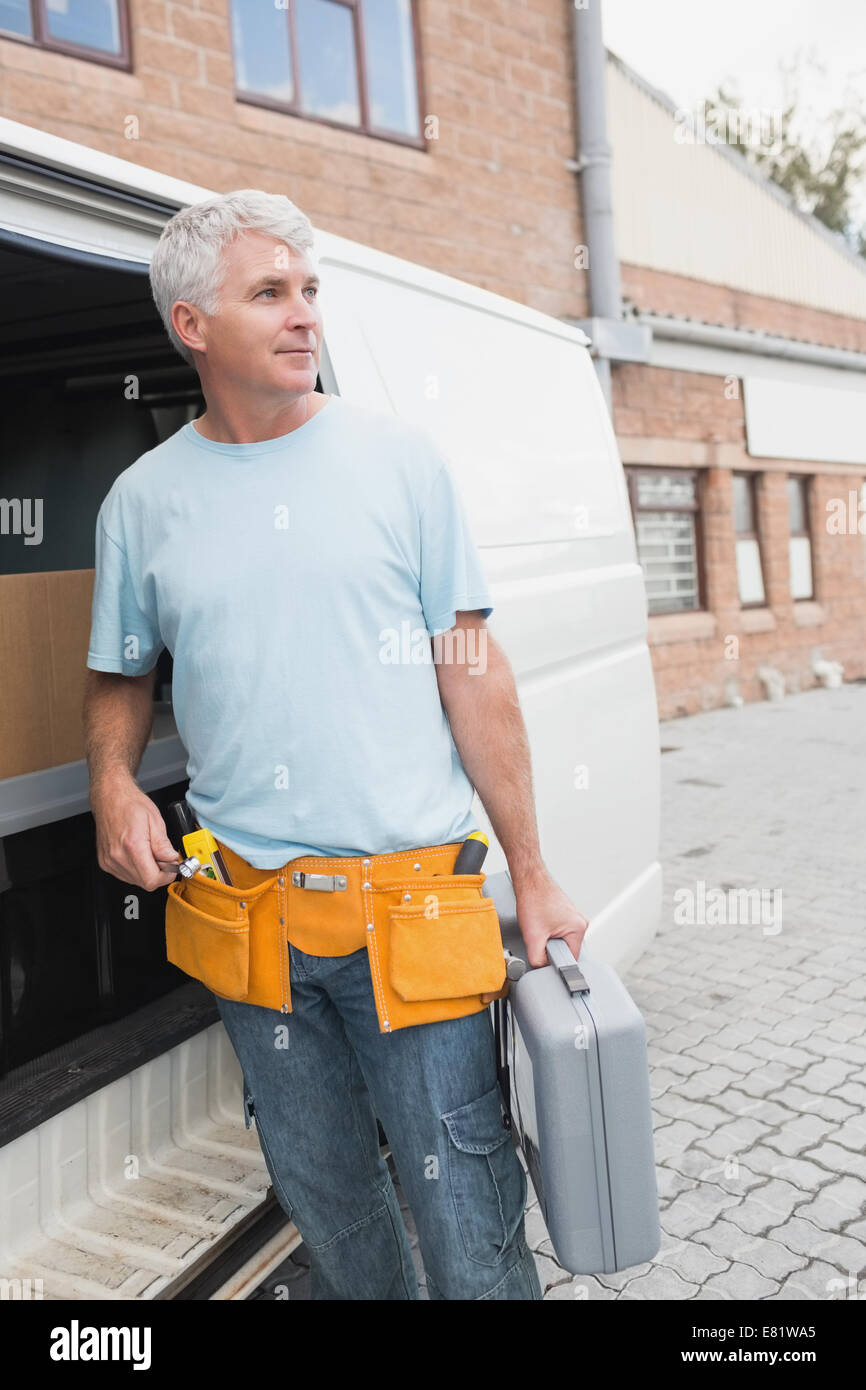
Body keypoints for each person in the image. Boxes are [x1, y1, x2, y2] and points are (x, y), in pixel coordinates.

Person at [83, 189, 588, 1300]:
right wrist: (111, 781)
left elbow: (473, 673)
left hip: (411, 914)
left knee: (468, 1218)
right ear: (191, 324)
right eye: (271, 292)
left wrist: (533, 872)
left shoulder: (399, 462)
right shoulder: (141, 503)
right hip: (248, 923)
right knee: (328, 1202)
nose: (306, 313)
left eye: (310, 289)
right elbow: (119, 673)